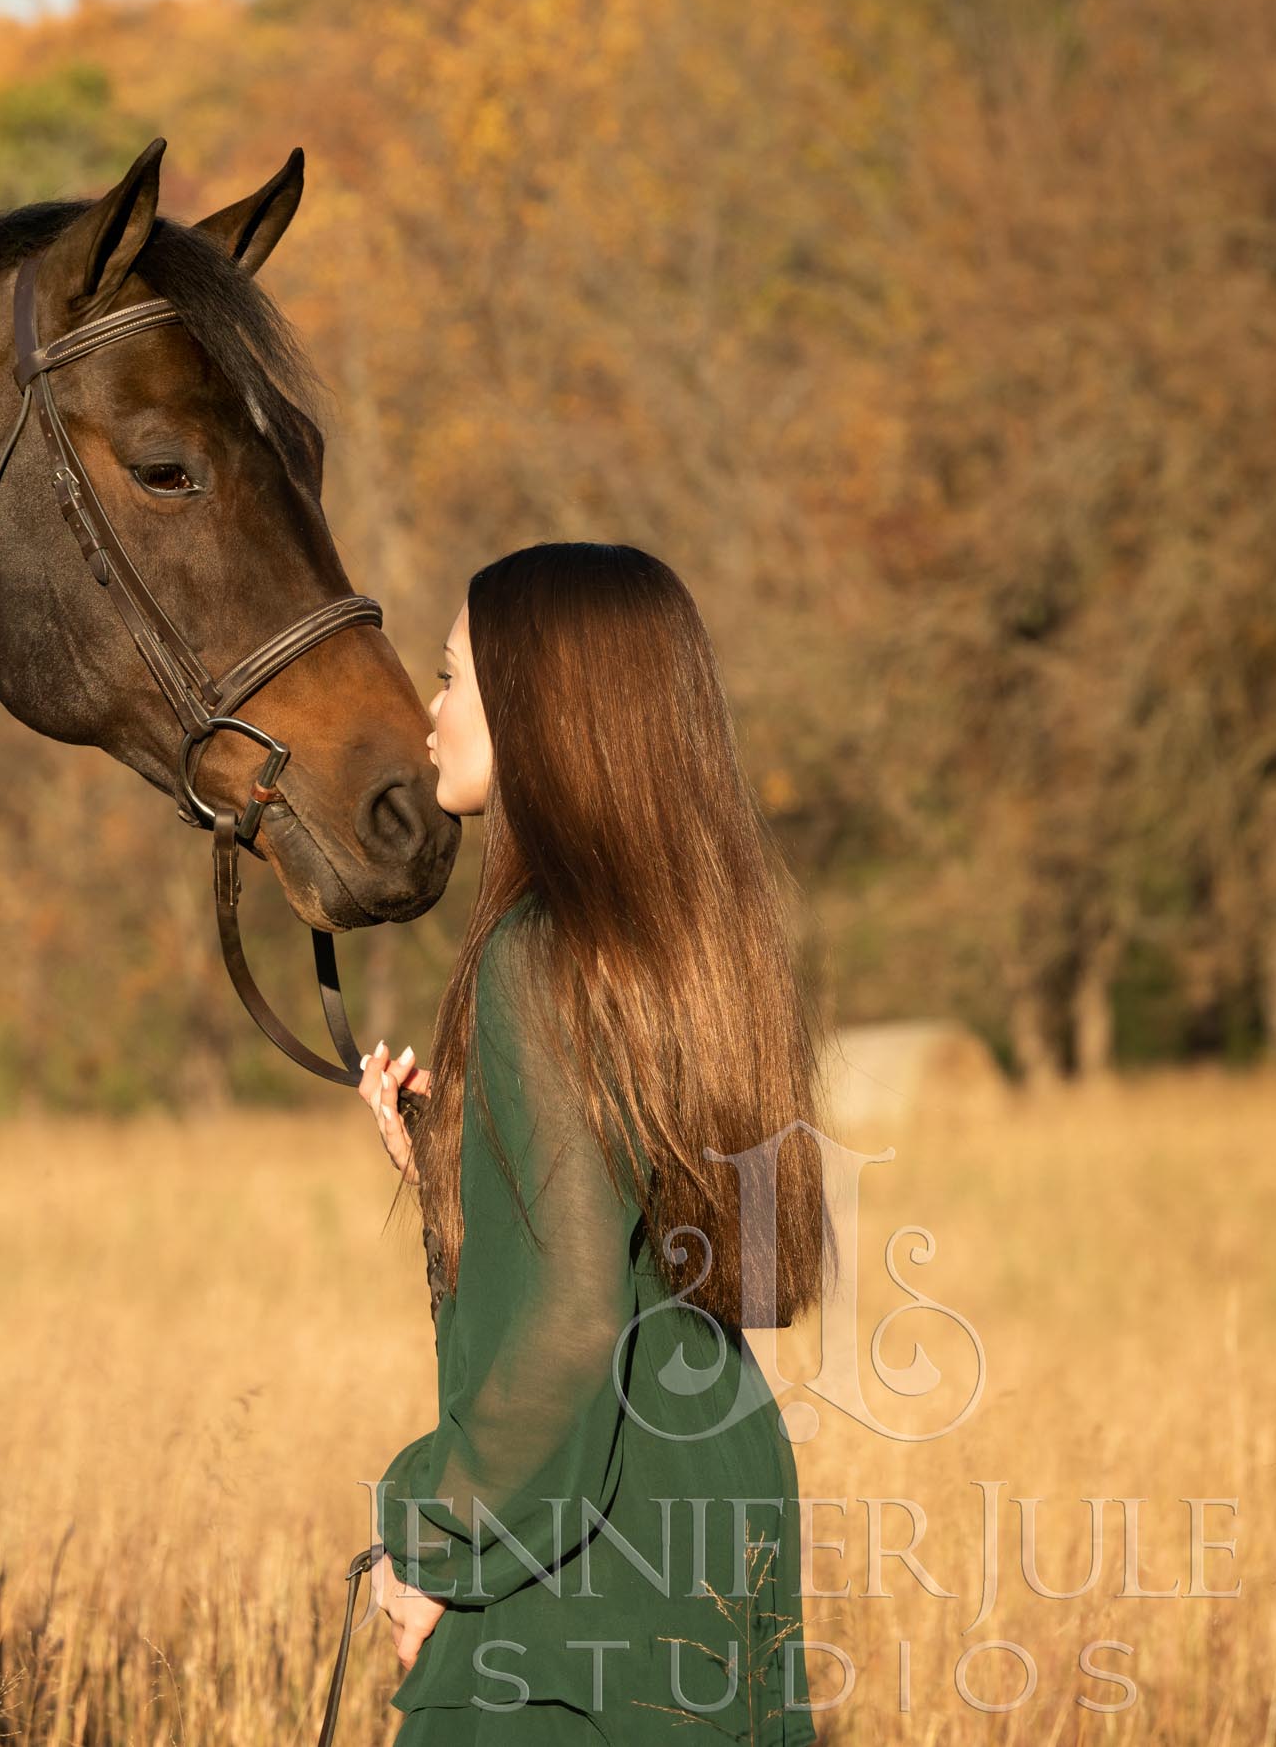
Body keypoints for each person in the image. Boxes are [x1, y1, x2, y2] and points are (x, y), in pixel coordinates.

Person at [354, 542, 829, 1744]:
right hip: (712, 1501)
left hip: (587, 1542)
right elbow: (718, 1267)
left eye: (456, 675)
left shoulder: (532, 954)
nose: (431, 708)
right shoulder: (699, 954)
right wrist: (456, 1172)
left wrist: (426, 1534)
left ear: (536, 706)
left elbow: (568, 1326)